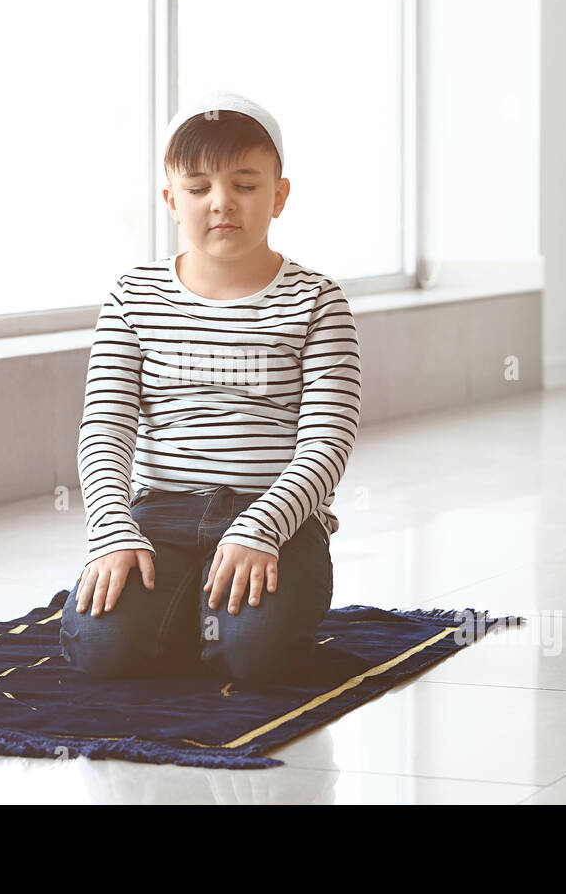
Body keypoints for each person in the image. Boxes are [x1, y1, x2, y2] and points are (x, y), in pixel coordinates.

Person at [59, 90, 362, 682]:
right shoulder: (132, 296)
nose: (221, 203)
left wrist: (262, 529)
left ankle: (201, 615)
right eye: (198, 189)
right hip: (159, 515)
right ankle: (179, 607)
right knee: (100, 651)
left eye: (245, 186)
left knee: (254, 659)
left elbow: (328, 442)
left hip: (275, 517)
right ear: (173, 201)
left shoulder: (318, 300)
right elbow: (105, 428)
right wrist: (113, 530)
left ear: (279, 196)